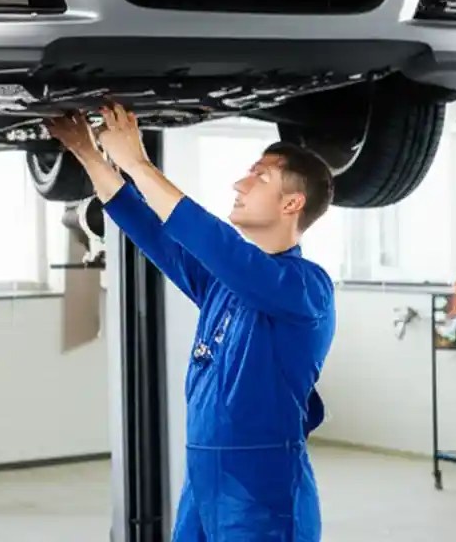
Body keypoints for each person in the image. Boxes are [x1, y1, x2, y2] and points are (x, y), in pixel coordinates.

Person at [48, 102, 336, 542]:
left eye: (260, 176)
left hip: (263, 488)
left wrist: (137, 162)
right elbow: (152, 230)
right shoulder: (223, 284)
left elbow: (209, 238)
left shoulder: (303, 288)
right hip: (203, 477)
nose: (240, 183)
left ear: (292, 203)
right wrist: (87, 153)